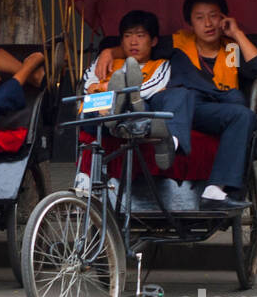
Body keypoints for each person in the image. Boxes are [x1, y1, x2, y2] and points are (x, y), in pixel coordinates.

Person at [93, 0, 257, 210]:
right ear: (190, 24)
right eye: (200, 18)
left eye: (214, 16)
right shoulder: (179, 42)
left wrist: (237, 32)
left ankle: (215, 190)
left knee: (244, 115)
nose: (208, 24)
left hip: (210, 110)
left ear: (223, 19)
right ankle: (159, 134)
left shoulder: (230, 49)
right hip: (182, 105)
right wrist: (108, 53)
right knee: (175, 96)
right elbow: (139, 47)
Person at [78, 10, 185, 191]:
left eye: (140, 36)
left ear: (153, 41)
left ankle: (118, 106)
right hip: (98, 109)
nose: (133, 42)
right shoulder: (105, 61)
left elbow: (150, 88)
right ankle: (114, 108)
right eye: (127, 36)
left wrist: (111, 90)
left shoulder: (161, 65)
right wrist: (103, 91)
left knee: (138, 101)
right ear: (121, 40)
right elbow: (88, 83)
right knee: (90, 103)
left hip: (135, 110)